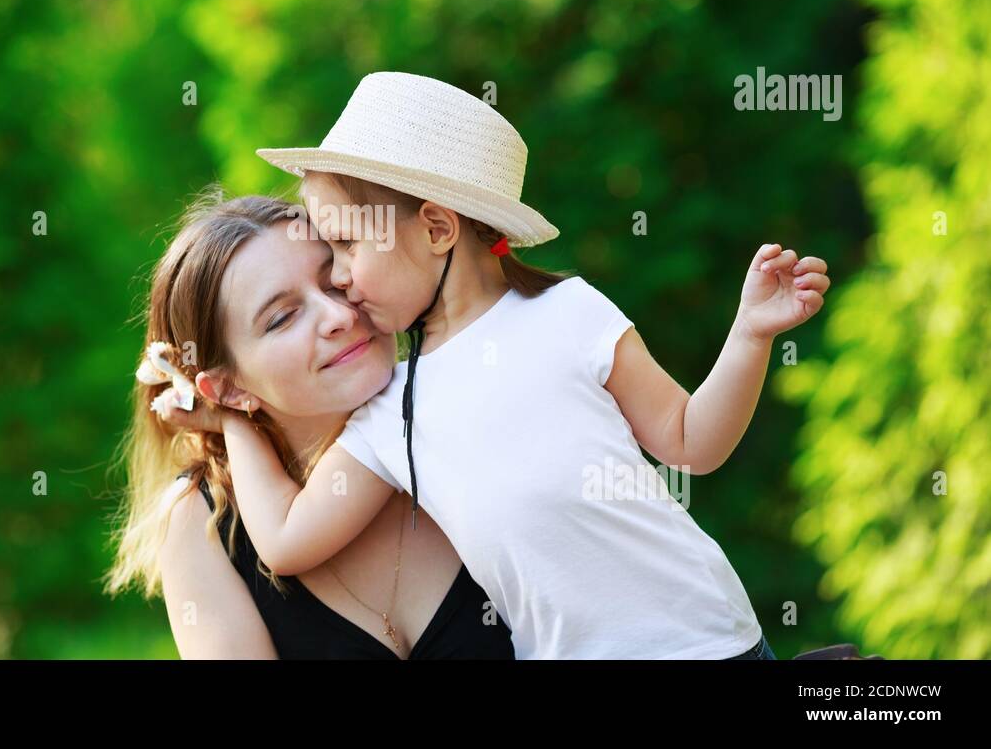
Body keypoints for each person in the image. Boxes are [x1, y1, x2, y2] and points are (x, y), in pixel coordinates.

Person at [195, 71, 830, 658]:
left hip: (707, 644)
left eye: (347, 243)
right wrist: (231, 415)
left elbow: (692, 443)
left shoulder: (568, 313)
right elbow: (282, 539)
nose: (337, 275)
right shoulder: (391, 411)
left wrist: (748, 335)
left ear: (438, 229)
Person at [105, 188, 514, 659]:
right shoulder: (203, 523)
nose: (339, 315)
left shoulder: (463, 408)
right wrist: (232, 426)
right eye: (282, 318)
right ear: (230, 390)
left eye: (337, 282)